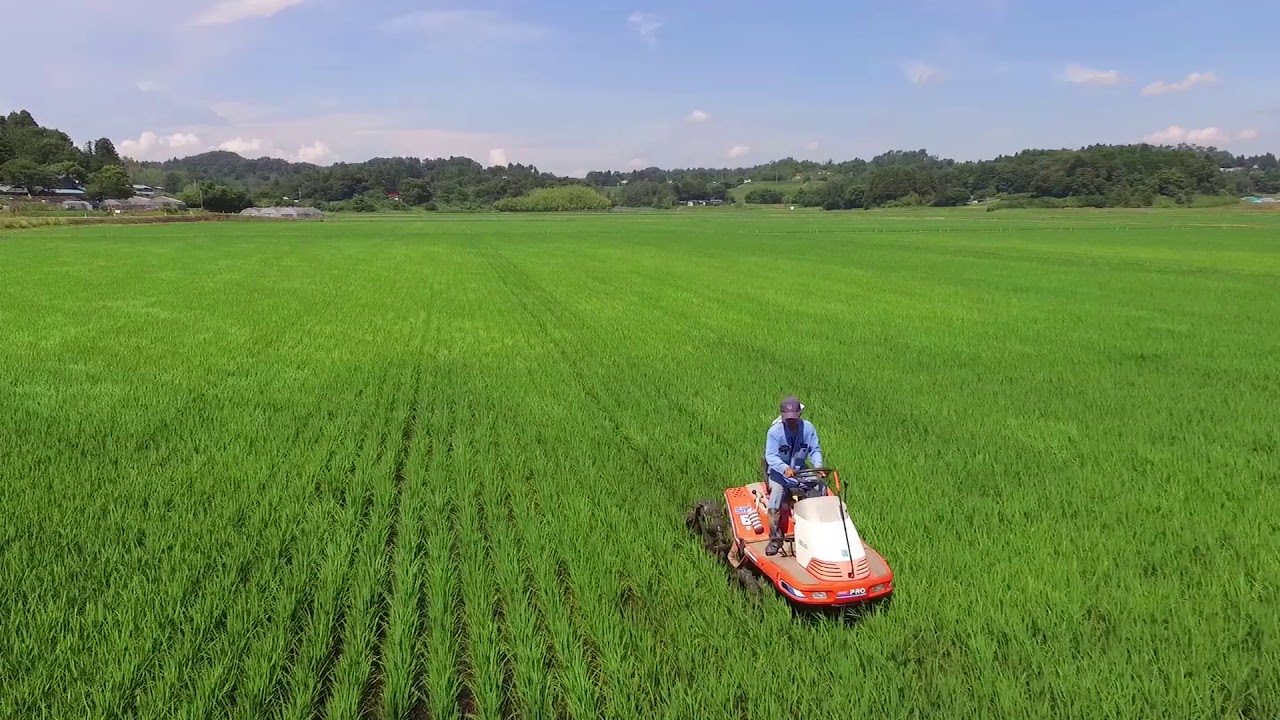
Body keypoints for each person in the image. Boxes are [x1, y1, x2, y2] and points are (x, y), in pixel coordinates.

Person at [762, 396, 825, 556]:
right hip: (780, 475)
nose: (791, 422)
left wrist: (818, 467)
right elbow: (770, 456)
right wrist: (784, 468)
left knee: (821, 486)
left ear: (800, 415)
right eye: (788, 420)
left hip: (800, 472)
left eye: (794, 419)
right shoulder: (774, 432)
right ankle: (775, 538)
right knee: (776, 494)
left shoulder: (808, 429)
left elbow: (814, 450)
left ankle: (820, 528)